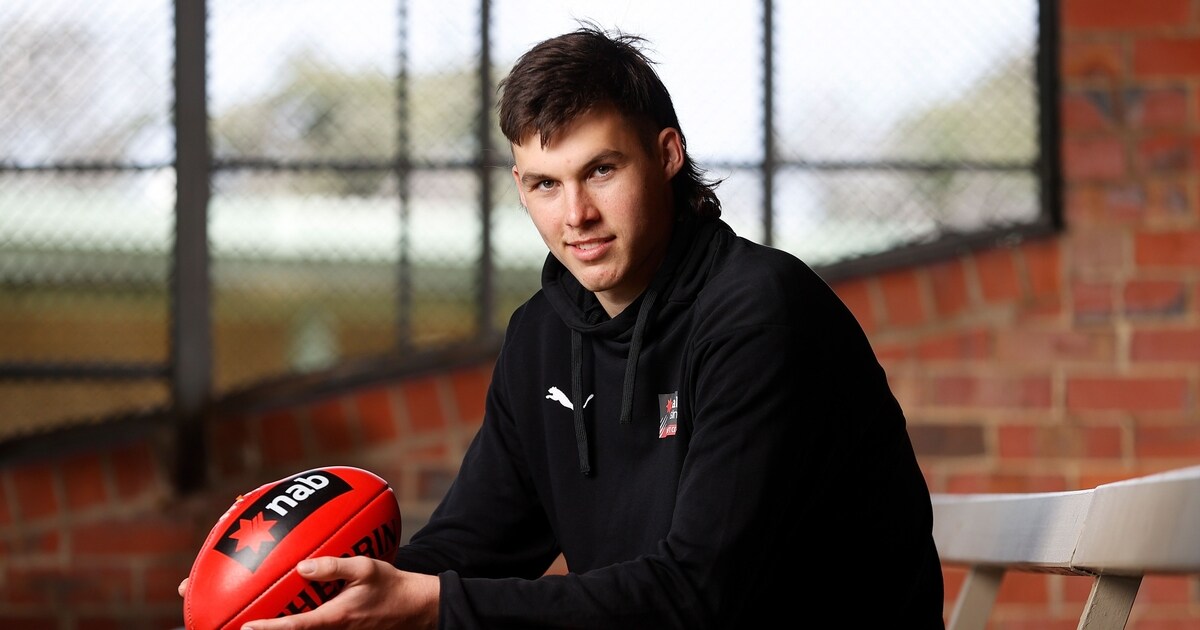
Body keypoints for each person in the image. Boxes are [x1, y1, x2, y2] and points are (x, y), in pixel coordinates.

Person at [180, 23, 945, 628]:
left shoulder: (759, 313)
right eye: (546, 184)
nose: (574, 214)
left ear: (667, 155)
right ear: (520, 186)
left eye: (601, 171)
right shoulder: (543, 337)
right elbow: (472, 549)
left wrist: (434, 609)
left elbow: (698, 597)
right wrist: (294, 591)